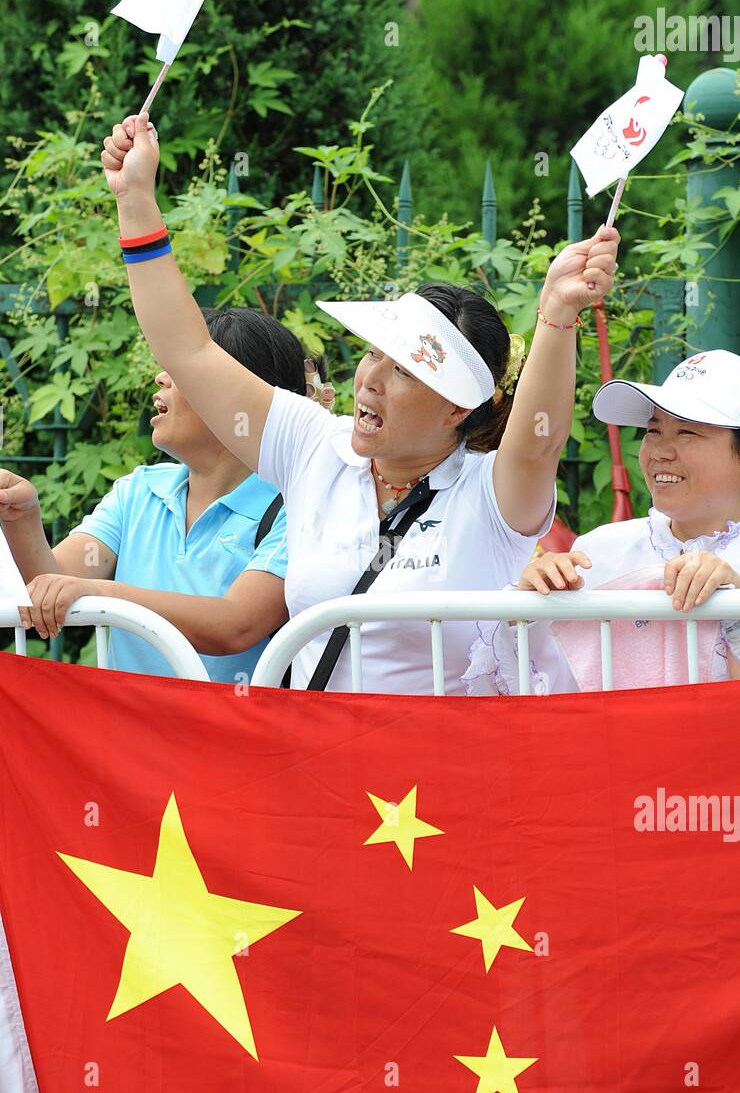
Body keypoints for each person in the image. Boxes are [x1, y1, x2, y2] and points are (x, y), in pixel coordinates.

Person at [96, 111, 620, 694]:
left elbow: (540, 438)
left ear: (456, 410)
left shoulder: (493, 496)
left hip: (445, 773)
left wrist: (557, 313)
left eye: (404, 371)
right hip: (321, 768)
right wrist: (135, 199)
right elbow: (189, 351)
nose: (370, 379)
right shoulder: (314, 445)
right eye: (373, 354)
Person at [0, 308, 325, 682]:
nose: (160, 377)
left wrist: (101, 591)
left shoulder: (294, 505)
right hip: (127, 733)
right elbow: (53, 583)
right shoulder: (139, 490)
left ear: (242, 396)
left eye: (182, 369)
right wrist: (21, 518)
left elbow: (235, 624)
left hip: (232, 737)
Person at [462, 350, 740, 694]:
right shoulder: (598, 552)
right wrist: (528, 610)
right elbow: (545, 698)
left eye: (687, 433)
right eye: (653, 431)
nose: (660, 451)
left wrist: (739, 611)